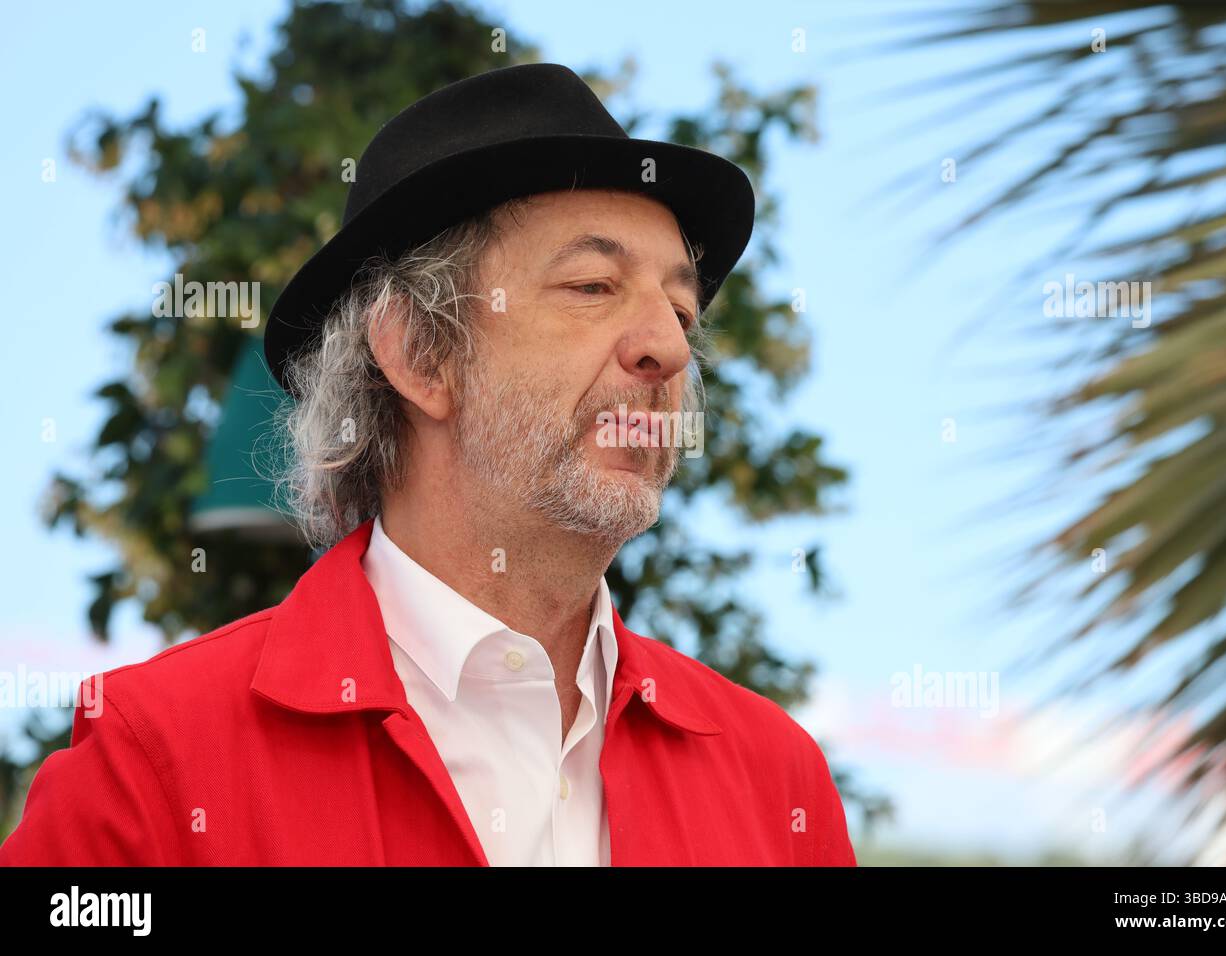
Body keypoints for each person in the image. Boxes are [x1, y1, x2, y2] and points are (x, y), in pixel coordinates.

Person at [0, 63, 855, 866]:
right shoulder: (152, 764)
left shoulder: (779, 782)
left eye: (680, 307)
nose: (669, 347)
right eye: (592, 286)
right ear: (418, 354)